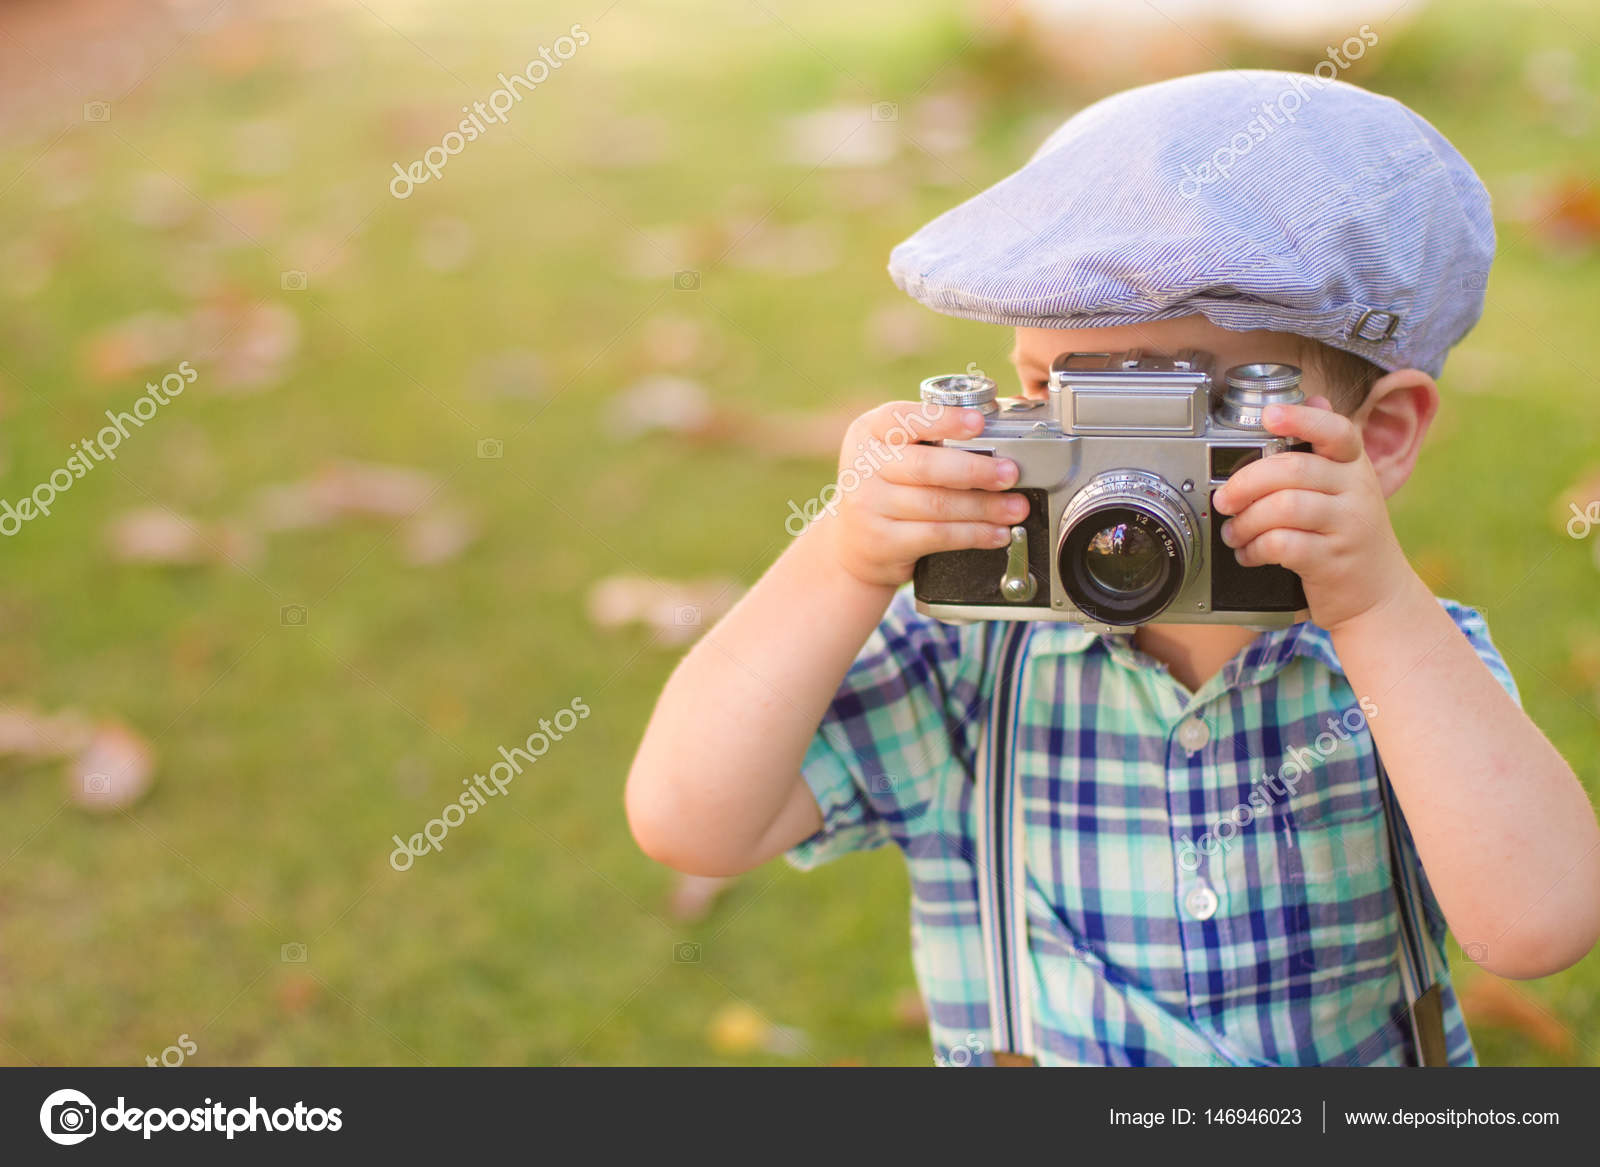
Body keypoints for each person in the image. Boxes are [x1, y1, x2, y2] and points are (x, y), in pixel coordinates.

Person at [625, 70, 1600, 1065]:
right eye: (1063, 393)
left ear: (1378, 435)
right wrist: (836, 562)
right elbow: (689, 821)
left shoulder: (1407, 664)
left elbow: (1539, 928)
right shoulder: (967, 652)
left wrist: (1380, 610)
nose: (1128, 471)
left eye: (1193, 404)